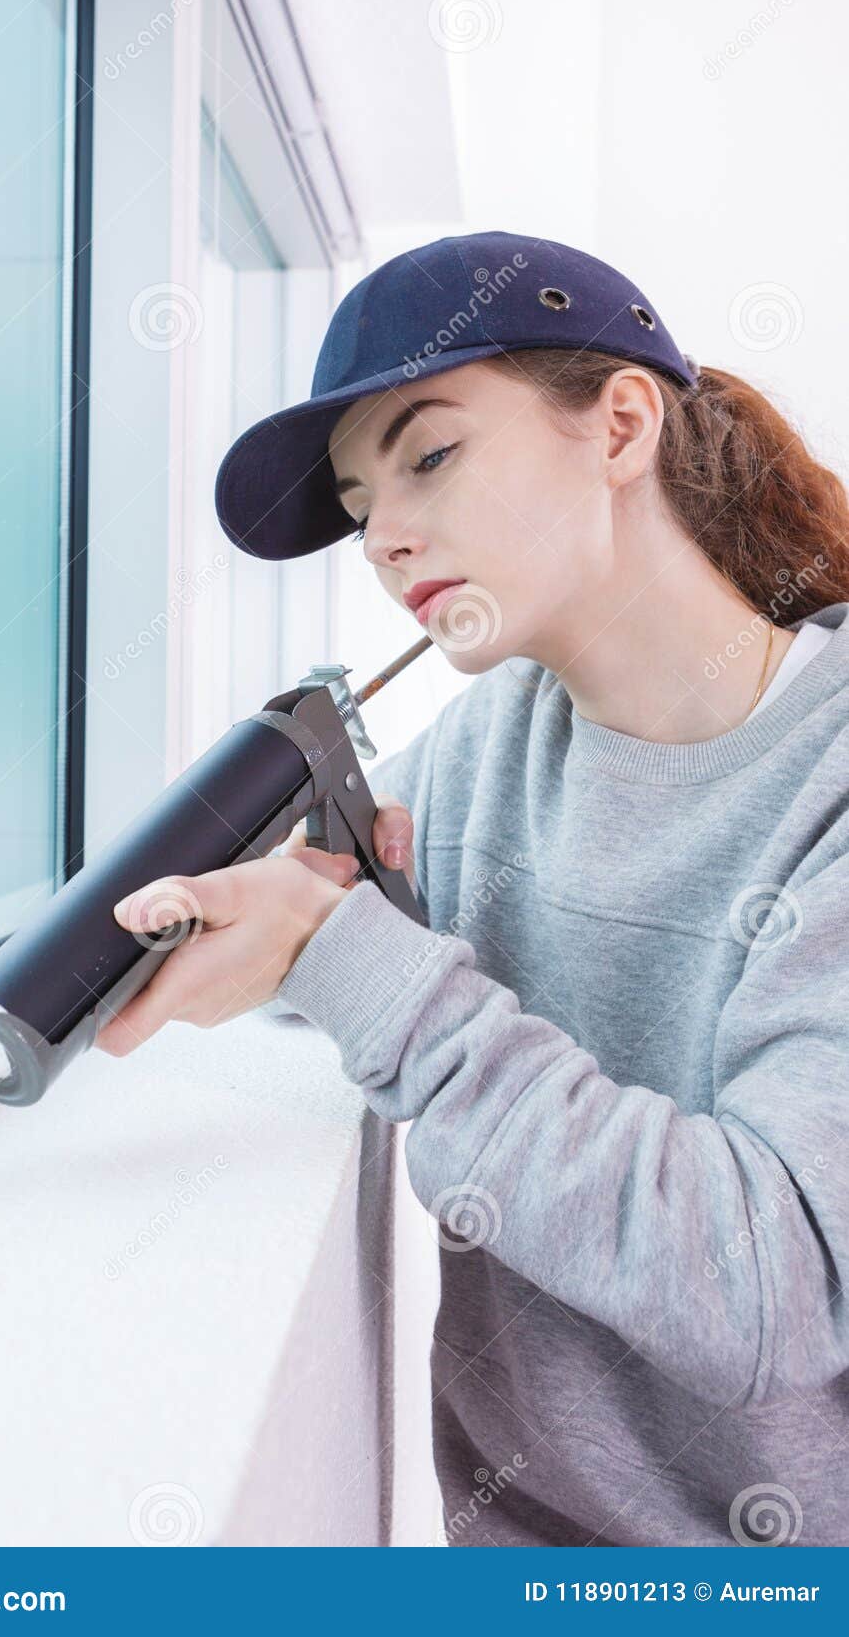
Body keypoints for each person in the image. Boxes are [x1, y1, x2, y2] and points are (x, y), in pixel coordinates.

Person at [95, 232, 849, 1548]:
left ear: (618, 424)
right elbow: (353, 953)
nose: (383, 536)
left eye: (429, 454)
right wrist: (288, 932)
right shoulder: (487, 747)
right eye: (356, 501)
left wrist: (353, 958)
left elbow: (769, 1288)